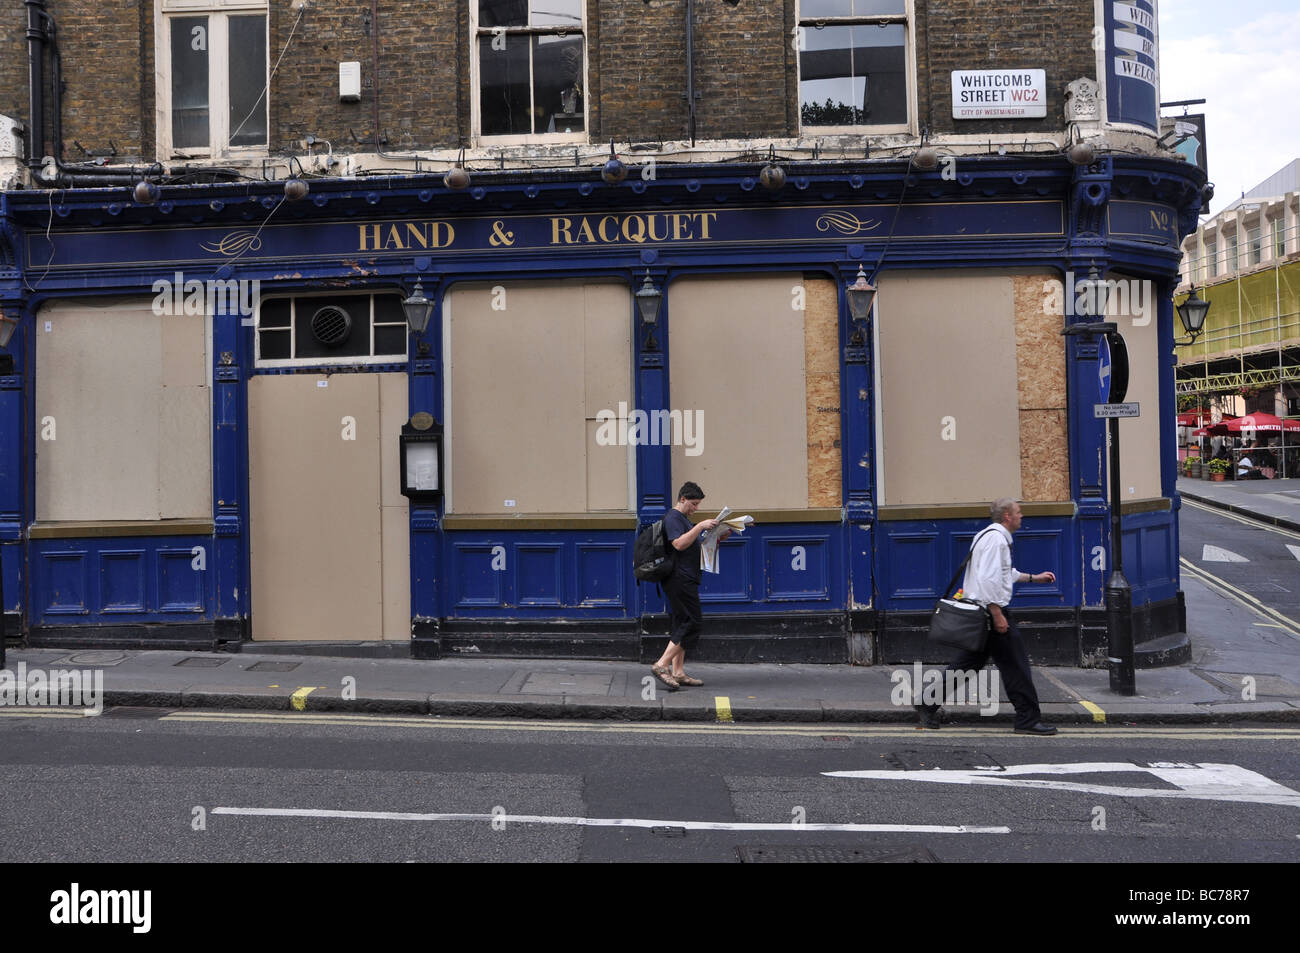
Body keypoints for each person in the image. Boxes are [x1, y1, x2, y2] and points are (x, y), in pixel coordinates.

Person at [917, 498, 1059, 735]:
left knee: (967, 664)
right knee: (1016, 666)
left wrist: (1034, 578)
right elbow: (989, 579)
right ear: (1007, 516)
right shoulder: (996, 540)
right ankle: (1027, 719)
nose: (1021, 516)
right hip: (992, 613)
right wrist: (997, 614)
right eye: (1018, 512)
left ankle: (927, 702)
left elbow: (1003, 573)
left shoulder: (988, 536)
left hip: (983, 613)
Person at [650, 482, 719, 691]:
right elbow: (678, 544)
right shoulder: (673, 518)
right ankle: (662, 665)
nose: (696, 508)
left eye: (698, 504)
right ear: (682, 499)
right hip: (678, 578)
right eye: (693, 504)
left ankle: (678, 672)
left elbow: (692, 546)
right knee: (692, 622)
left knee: (682, 622)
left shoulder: (684, 520)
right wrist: (699, 527)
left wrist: (718, 536)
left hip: (686, 577)